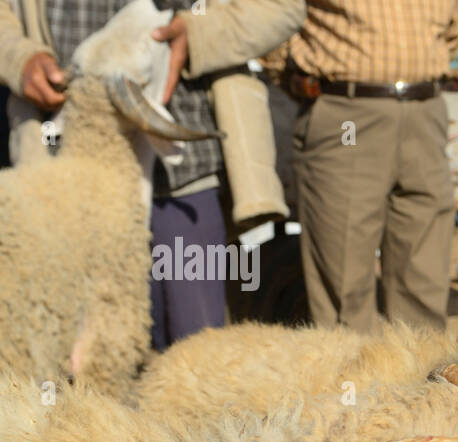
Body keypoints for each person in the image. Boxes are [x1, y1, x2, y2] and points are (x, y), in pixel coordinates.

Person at [0, 0, 306, 350]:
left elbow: (280, 7)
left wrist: (198, 32)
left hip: (185, 171)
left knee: (195, 355)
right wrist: (16, 57)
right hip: (60, 172)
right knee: (70, 355)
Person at [283, 0, 458, 333]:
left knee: (424, 287)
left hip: (425, 110)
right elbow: (269, 22)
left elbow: (454, 30)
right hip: (347, 111)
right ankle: (351, 384)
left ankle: (419, 381)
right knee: (343, 292)